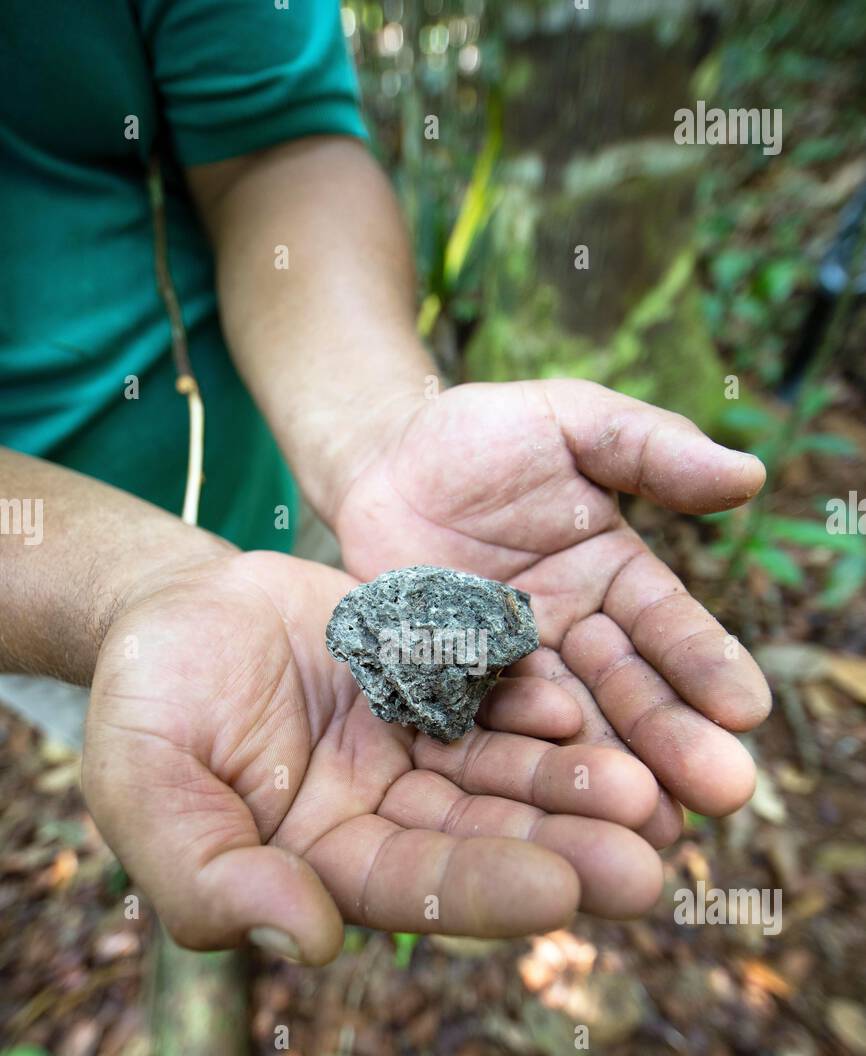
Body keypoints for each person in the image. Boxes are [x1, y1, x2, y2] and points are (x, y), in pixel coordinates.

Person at [0, 1, 771, 966]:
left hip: (313, 473)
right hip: (37, 587)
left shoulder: (420, 596)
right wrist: (119, 598)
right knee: (196, 749)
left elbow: (274, 149)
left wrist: (380, 432)